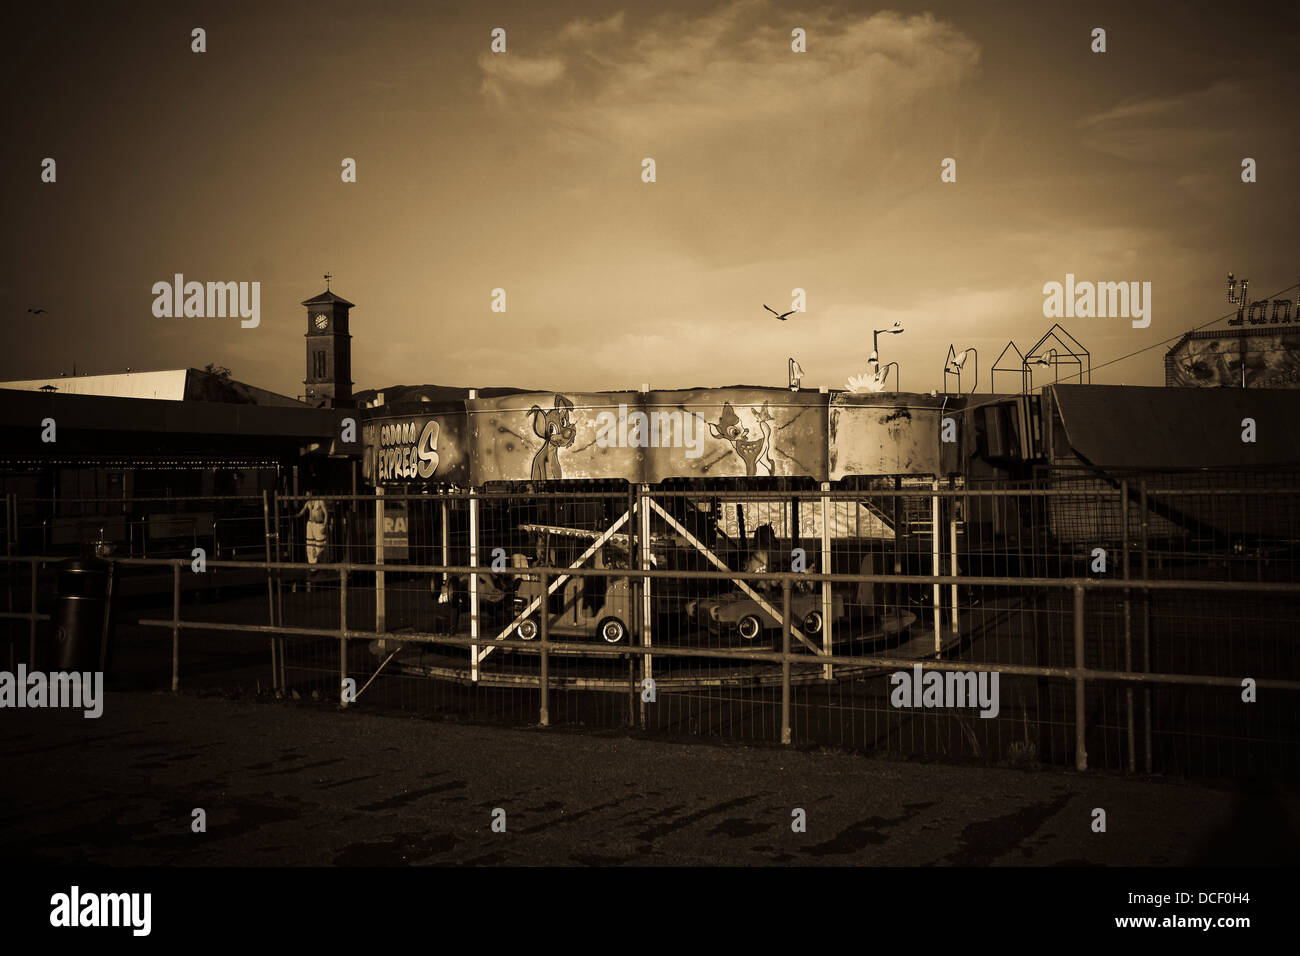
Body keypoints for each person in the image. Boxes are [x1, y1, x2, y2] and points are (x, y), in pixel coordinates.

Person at [294, 490, 330, 592]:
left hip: (319, 524)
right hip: (310, 524)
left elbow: (326, 514)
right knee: (309, 545)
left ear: (312, 494)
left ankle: (320, 563)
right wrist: (294, 516)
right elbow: (302, 512)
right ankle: (313, 567)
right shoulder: (308, 503)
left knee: (320, 545)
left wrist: (325, 525)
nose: (306, 496)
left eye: (307, 494)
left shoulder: (320, 501)